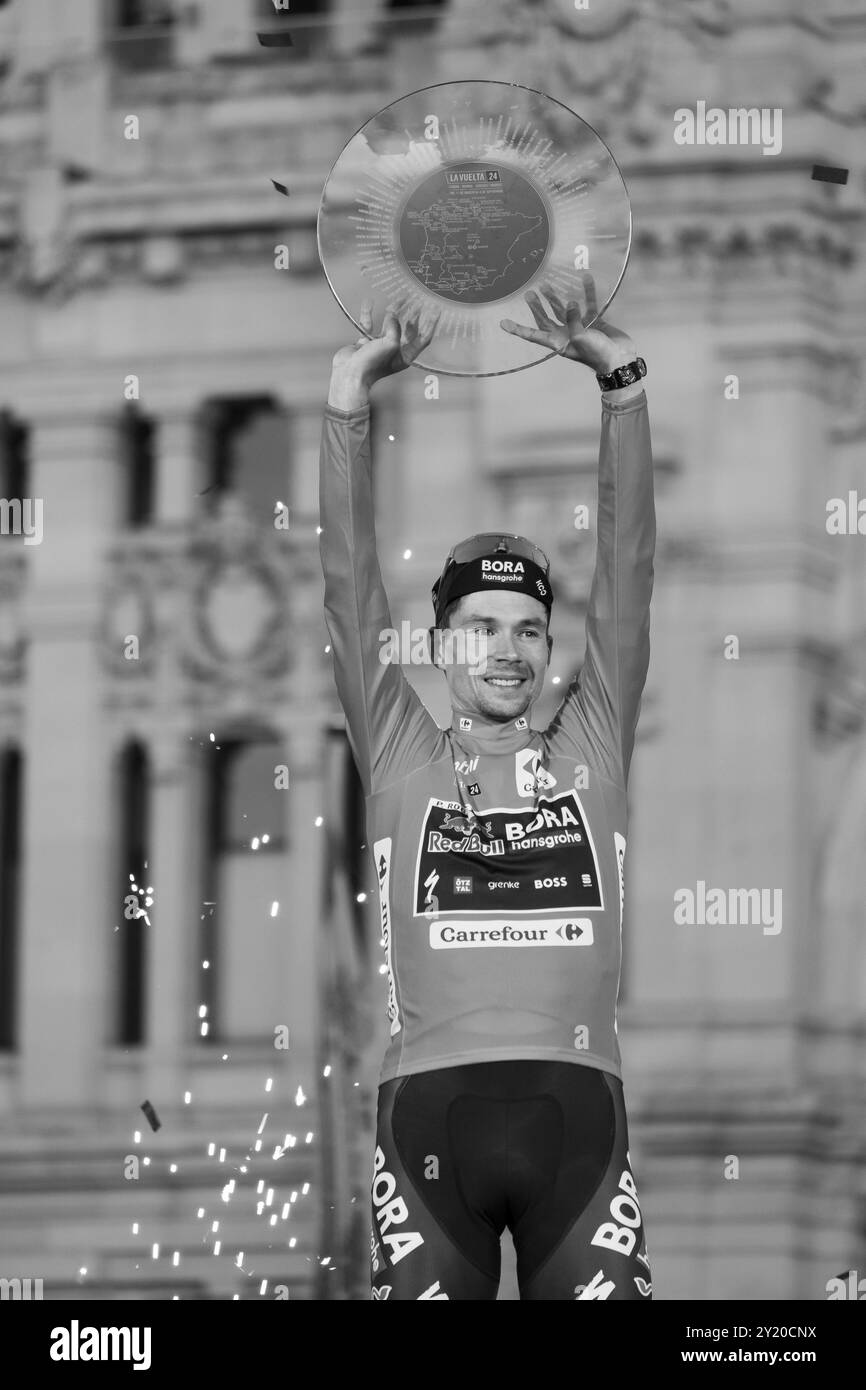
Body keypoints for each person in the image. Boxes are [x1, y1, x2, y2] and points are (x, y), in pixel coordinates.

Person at [319, 275, 655, 1300]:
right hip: (428, 1123)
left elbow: (630, 569)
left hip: (578, 1125)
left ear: (550, 646)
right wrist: (346, 401)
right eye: (481, 626)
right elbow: (346, 584)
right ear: (438, 640)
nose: (506, 651)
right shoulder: (399, 746)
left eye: (526, 630)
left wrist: (621, 390)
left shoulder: (589, 736)